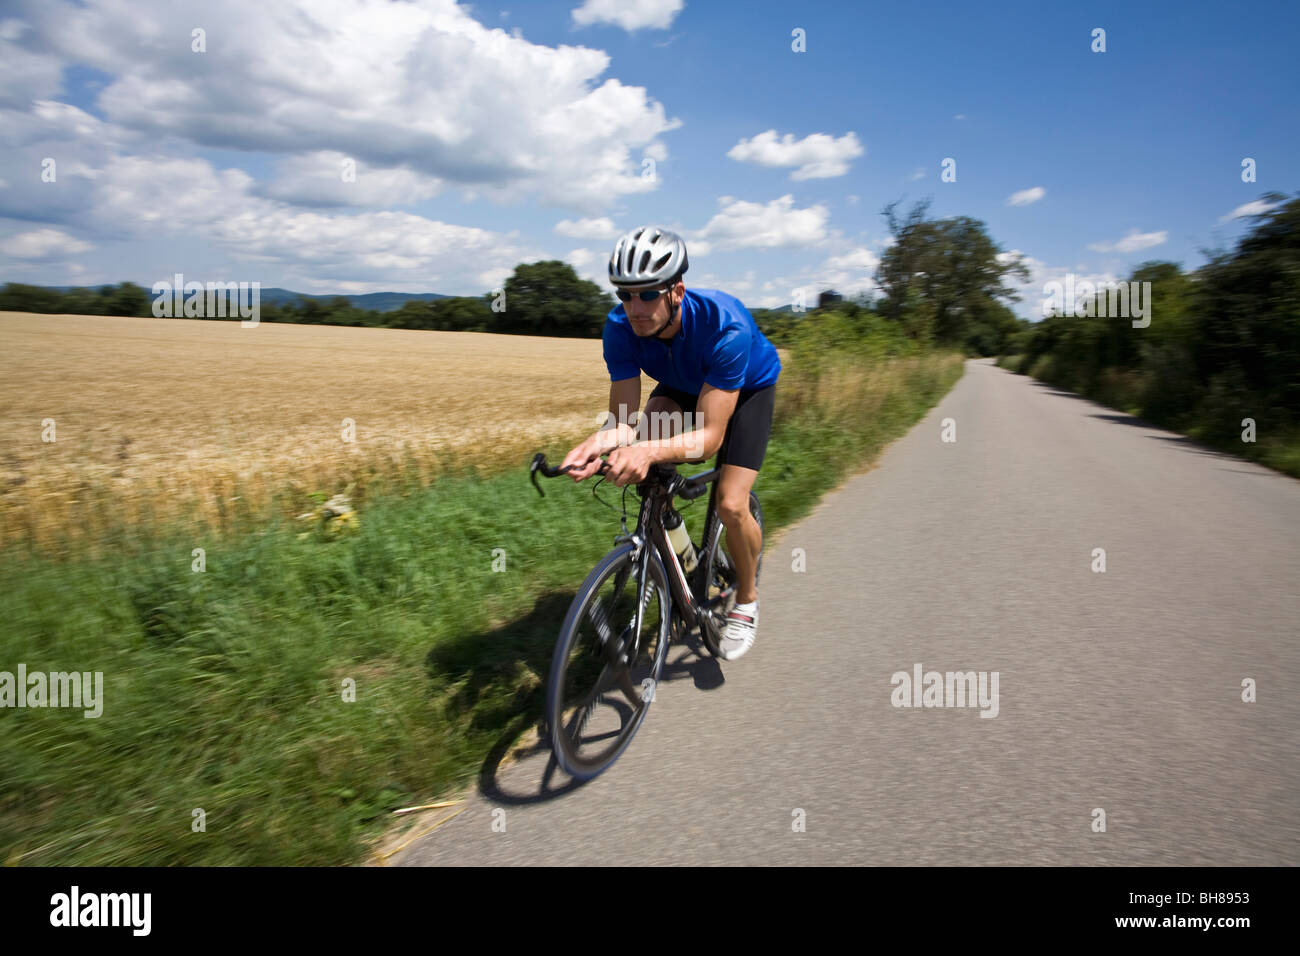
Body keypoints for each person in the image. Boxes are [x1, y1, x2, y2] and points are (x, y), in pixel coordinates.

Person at [560, 226, 781, 661]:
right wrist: (597, 445)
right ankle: (680, 564)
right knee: (643, 457)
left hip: (748, 387)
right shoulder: (619, 327)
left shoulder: (725, 325)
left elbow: (708, 440)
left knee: (731, 504)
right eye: (625, 295)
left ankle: (748, 599)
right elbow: (623, 422)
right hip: (683, 382)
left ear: (676, 290)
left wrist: (645, 450)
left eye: (647, 294)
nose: (634, 308)